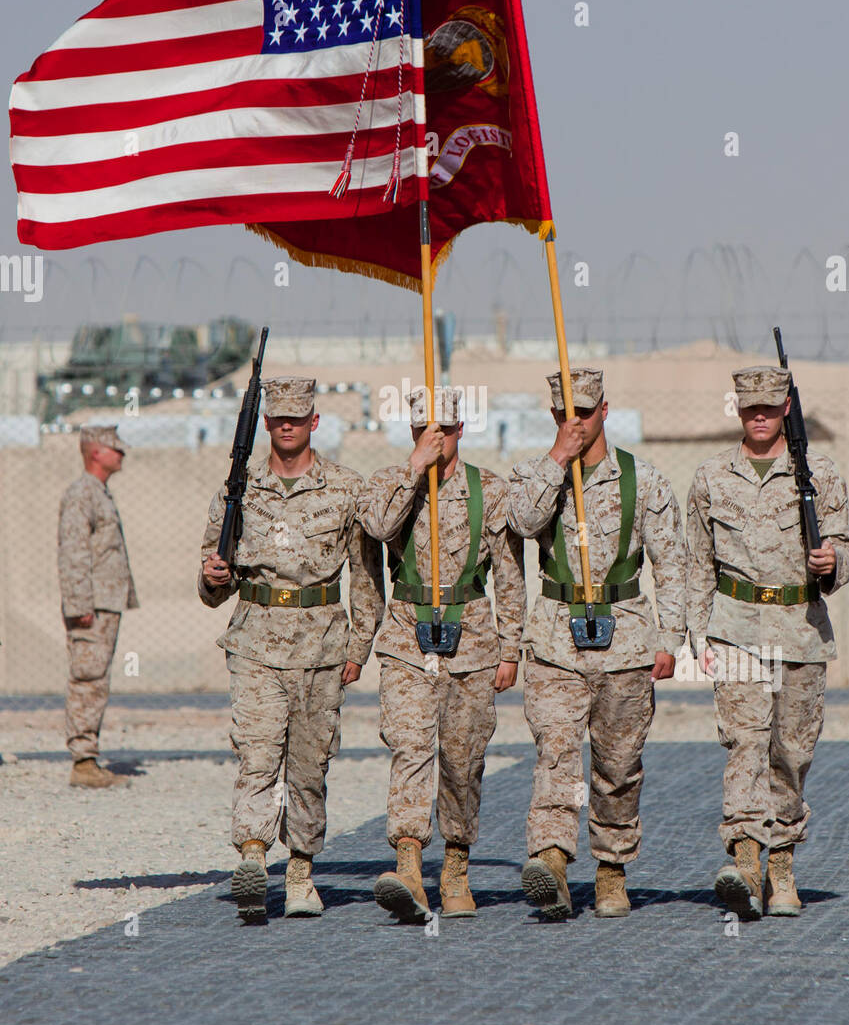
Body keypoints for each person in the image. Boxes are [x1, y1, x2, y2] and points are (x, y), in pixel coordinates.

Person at [199, 377, 384, 922]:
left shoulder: (346, 489)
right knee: (257, 756)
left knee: (309, 765)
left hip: (322, 645)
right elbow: (212, 584)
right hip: (255, 640)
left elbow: (367, 576)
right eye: (277, 419)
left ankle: (301, 872)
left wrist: (359, 643)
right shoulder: (238, 490)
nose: (286, 426)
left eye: (296, 419)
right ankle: (254, 858)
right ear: (266, 424)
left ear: (313, 423)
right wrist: (212, 576)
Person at [507, 367, 686, 920]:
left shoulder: (643, 480)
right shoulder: (534, 475)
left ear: (604, 411)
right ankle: (553, 862)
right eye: (565, 414)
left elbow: (672, 562)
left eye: (584, 413)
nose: (575, 423)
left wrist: (670, 638)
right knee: (555, 755)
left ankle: (611, 870)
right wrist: (557, 458)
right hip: (556, 640)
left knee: (618, 765)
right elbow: (520, 521)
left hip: (627, 638)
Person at [686, 366, 849, 919]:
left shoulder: (818, 475)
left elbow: (848, 544)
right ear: (737, 409)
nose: (758, 415)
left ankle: (782, 862)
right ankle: (746, 858)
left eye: (769, 406)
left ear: (786, 408)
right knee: (744, 744)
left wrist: (833, 562)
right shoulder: (712, 477)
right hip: (736, 628)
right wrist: (694, 630)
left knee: (791, 753)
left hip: (802, 629)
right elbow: (697, 561)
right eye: (749, 406)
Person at [356, 386, 526, 922]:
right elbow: (377, 528)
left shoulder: (490, 491)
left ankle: (455, 865)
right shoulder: (389, 484)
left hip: (472, 641)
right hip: (407, 638)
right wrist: (415, 466)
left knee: (462, 760)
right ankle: (408, 862)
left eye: (445, 432)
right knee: (409, 746)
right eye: (424, 431)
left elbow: (510, 574)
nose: (436, 439)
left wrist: (510, 648)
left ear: (460, 431)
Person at [57, 425, 138, 789]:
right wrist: (79, 605)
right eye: (114, 449)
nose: (122, 454)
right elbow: (73, 553)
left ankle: (88, 757)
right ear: (96, 453)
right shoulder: (81, 494)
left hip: (104, 603)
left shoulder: (98, 493)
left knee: (97, 679)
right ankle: (83, 762)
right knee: (87, 679)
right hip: (91, 605)